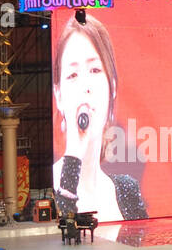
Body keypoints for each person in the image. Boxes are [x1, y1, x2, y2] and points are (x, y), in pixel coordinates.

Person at [51, 13, 147, 222]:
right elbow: (65, 224)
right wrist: (74, 154)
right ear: (58, 95)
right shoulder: (49, 188)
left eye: (95, 70)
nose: (85, 86)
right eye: (73, 75)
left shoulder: (127, 190)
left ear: (112, 86)